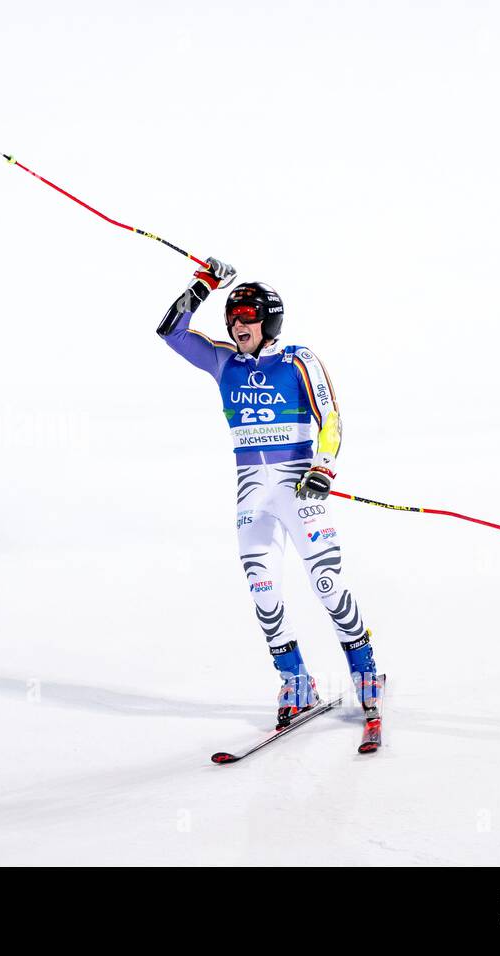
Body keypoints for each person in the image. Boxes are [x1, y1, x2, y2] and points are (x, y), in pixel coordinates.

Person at [156, 258, 384, 753]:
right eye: (233, 318)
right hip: (251, 492)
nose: (238, 326)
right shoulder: (223, 362)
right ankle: (296, 684)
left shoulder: (301, 360)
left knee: (327, 585)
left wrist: (324, 466)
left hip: (298, 489)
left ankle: (366, 678)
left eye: (248, 318)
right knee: (263, 589)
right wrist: (206, 284)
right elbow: (171, 330)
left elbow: (331, 417)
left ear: (270, 321)